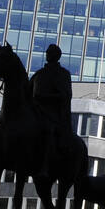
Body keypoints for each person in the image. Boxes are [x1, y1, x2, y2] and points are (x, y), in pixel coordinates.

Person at [31, 44, 74, 175]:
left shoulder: (63, 74)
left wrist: (44, 97)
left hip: (53, 114)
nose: (48, 55)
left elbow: (66, 95)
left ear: (57, 56)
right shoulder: (39, 74)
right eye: (48, 52)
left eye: (51, 53)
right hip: (35, 113)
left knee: (48, 130)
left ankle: (45, 164)